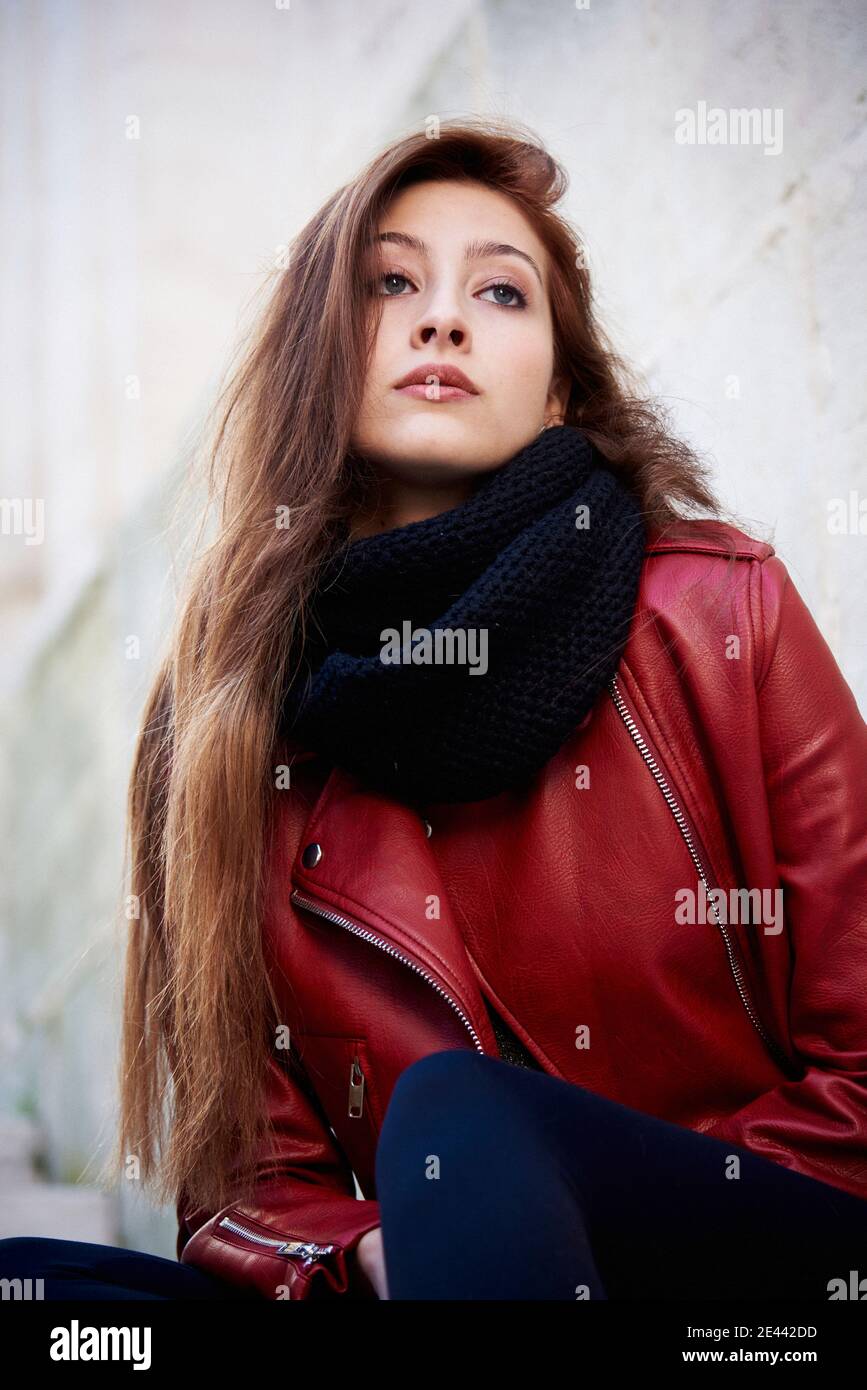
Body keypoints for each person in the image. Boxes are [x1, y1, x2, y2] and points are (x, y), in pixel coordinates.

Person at [3, 117, 865, 1302]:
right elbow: (251, 1181)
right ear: (318, 352)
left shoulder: (721, 613)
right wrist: (369, 1253)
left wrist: (577, 1223)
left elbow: (860, 1074)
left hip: (762, 1272)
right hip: (432, 1285)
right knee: (39, 1292)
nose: (443, 318)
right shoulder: (223, 729)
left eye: (501, 293)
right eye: (392, 282)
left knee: (457, 1125)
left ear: (560, 391)